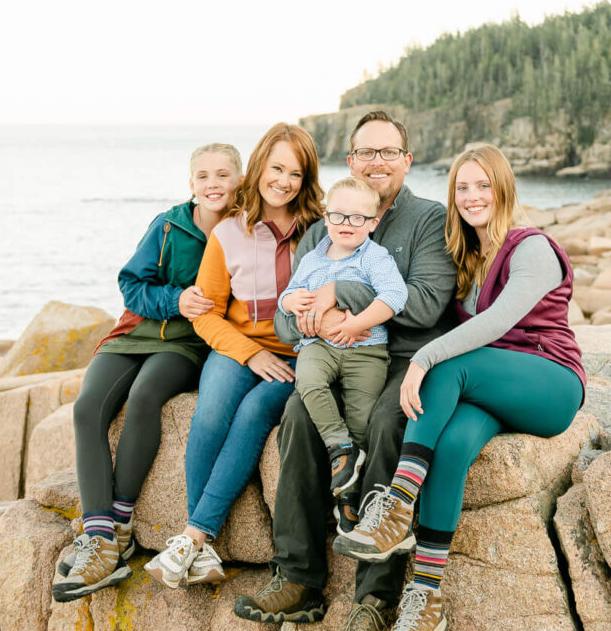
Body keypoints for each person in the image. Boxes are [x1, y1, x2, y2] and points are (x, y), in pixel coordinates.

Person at [333, 143, 585, 631]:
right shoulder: (467, 256)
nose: (472, 197)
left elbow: (494, 327)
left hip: (549, 382)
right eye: (462, 187)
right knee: (449, 448)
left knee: (449, 362)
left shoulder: (530, 247)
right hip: (491, 389)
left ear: (504, 188)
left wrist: (423, 361)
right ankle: (425, 599)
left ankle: (398, 503)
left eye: (482, 185)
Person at [233, 110, 457, 631]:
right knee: (299, 417)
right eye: (365, 153)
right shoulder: (323, 226)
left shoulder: (428, 220)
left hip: (403, 360)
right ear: (350, 160)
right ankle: (299, 577)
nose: (376, 162)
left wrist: (339, 291)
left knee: (386, 424)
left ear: (406, 161)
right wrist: (304, 314)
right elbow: (287, 324)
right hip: (331, 356)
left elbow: (426, 305)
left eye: (388, 152)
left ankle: (373, 603)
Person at [54, 143, 243, 601]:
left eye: (222, 175)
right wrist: (174, 298)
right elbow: (130, 284)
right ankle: (103, 537)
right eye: (203, 176)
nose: (212, 184)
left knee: (142, 399)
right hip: (133, 333)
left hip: (184, 345)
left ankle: (118, 522)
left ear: (240, 180)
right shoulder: (168, 225)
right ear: (191, 184)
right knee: (87, 409)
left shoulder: (245, 230)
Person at [145, 123, 324, 589]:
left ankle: (192, 535)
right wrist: (249, 355)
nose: (283, 180)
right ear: (259, 166)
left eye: (296, 173)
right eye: (276, 167)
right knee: (210, 414)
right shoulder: (228, 232)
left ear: (306, 180)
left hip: (301, 354)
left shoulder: (322, 230)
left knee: (252, 414)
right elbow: (206, 315)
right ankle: (198, 548)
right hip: (237, 347)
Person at [283, 176, 408, 506]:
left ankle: (349, 495)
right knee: (308, 382)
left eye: (357, 218)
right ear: (326, 218)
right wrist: (290, 302)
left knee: (362, 418)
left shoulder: (374, 257)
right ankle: (338, 446)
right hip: (318, 347)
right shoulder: (312, 260)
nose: (346, 224)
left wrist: (357, 324)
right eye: (338, 215)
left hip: (366, 351)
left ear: (372, 223)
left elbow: (395, 295)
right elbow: (288, 295)